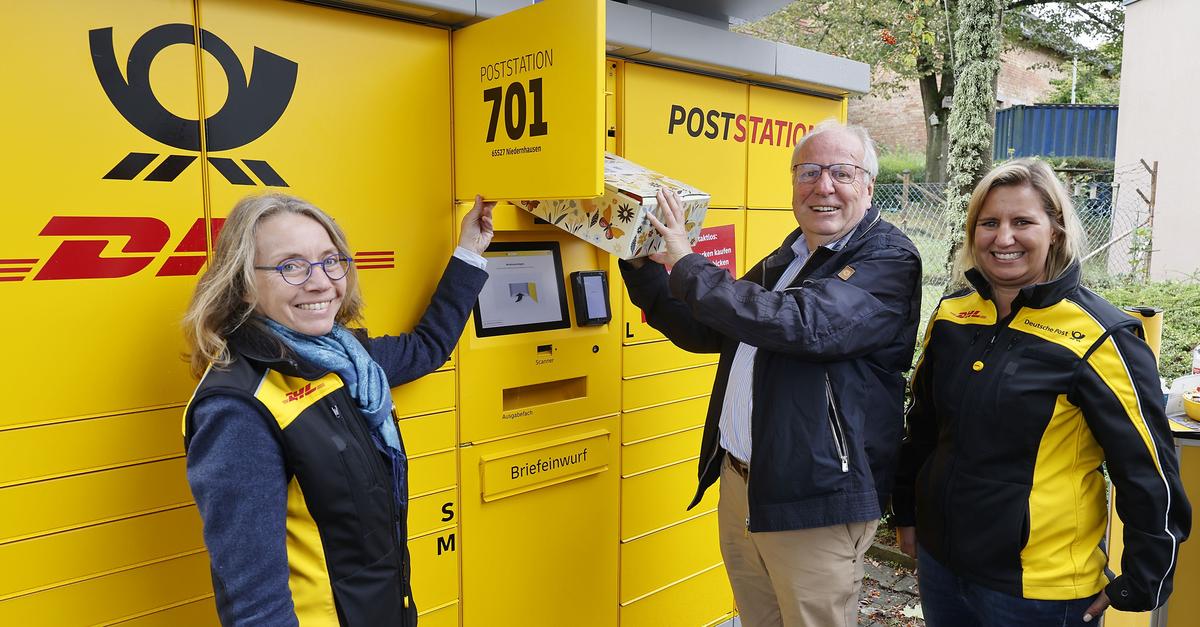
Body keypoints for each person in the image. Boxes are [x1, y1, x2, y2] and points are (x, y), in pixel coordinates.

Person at [620, 120, 922, 626]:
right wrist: (641, 261)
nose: (823, 186)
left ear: (869, 186)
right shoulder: (792, 254)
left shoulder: (888, 258)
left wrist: (687, 261)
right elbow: (707, 328)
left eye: (841, 173)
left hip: (815, 497)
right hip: (743, 483)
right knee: (759, 619)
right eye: (808, 172)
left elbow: (804, 325)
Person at [892, 158, 1190, 626]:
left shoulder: (1100, 334)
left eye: (1022, 222)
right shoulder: (952, 315)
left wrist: (1143, 576)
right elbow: (924, 428)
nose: (1003, 237)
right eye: (988, 223)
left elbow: (1148, 467)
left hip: (1041, 592)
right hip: (943, 568)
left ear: (1055, 230)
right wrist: (906, 511)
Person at [181, 192, 494, 625]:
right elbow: (253, 604)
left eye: (331, 260)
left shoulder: (349, 361)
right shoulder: (239, 408)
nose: (320, 282)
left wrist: (469, 251)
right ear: (243, 283)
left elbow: (427, 348)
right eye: (290, 266)